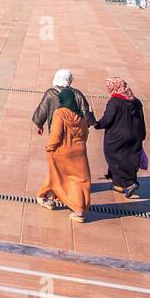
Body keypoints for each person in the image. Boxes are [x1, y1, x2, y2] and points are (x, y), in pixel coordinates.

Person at [36, 85, 92, 223]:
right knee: (80, 181)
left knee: (55, 174)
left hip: (62, 152)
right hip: (79, 153)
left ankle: (45, 197)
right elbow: (85, 134)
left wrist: (50, 147)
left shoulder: (60, 114)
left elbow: (56, 135)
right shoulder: (81, 116)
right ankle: (78, 209)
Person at [95, 76, 146, 199]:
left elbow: (107, 120)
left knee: (115, 159)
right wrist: (142, 135)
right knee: (130, 158)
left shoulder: (114, 102)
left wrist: (97, 124)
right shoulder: (136, 101)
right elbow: (142, 120)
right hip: (135, 135)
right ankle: (119, 185)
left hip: (117, 137)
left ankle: (130, 183)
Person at [32, 69, 93, 134]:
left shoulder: (50, 94)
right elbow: (86, 115)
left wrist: (40, 126)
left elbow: (41, 111)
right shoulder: (77, 94)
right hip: (73, 133)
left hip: (55, 131)